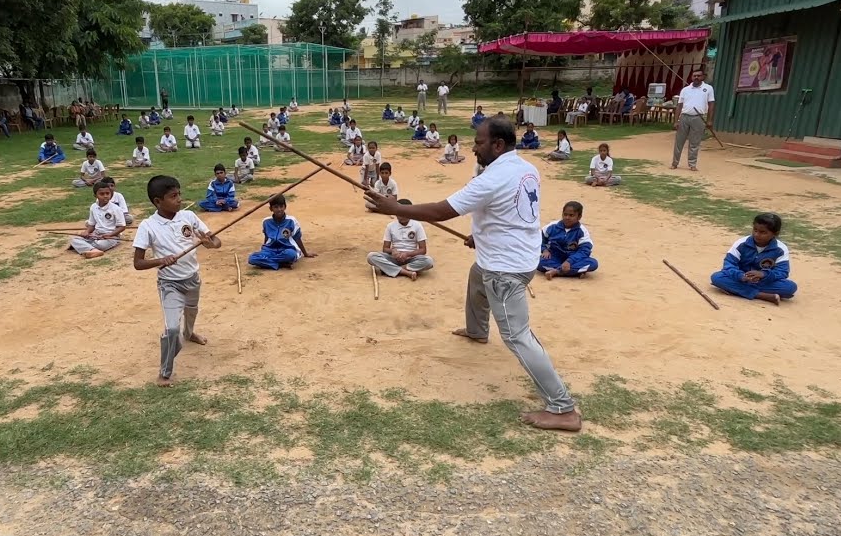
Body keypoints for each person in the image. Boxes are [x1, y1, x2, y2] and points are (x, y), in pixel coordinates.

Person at [363, 114, 581, 432]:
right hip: (516, 255)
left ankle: (563, 408)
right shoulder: (526, 168)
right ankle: (477, 329)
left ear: (498, 144)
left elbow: (442, 210)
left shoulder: (490, 179)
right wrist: (482, 234)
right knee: (477, 275)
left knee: (517, 336)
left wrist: (396, 208)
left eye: (479, 142)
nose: (474, 148)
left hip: (506, 267)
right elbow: (513, 211)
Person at [132, 175, 220, 386]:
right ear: (158, 201)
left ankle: (189, 333)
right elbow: (138, 263)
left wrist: (209, 243)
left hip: (193, 279)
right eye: (173, 196)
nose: (179, 199)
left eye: (179, 194)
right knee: (172, 329)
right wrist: (161, 260)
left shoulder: (188, 216)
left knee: (192, 311)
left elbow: (217, 241)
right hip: (170, 284)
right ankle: (165, 373)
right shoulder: (148, 226)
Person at [710, 212, 797, 305]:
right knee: (717, 277)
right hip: (741, 279)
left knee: (790, 287)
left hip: (763, 281)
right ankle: (762, 295)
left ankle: (736, 290)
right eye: (755, 230)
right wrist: (741, 276)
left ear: (775, 234)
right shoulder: (741, 243)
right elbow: (729, 264)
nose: (757, 234)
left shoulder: (780, 249)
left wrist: (763, 274)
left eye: (763, 232)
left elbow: (782, 272)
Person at [247, 194, 315, 269]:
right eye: (276, 207)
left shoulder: (291, 221)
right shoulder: (266, 222)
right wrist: (264, 250)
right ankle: (281, 264)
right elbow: (266, 237)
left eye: (281, 206)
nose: (279, 209)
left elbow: (297, 238)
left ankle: (269, 262)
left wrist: (305, 253)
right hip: (270, 250)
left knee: (291, 255)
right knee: (252, 258)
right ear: (271, 209)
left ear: (285, 207)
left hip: (287, 249)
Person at [70, 181, 130, 259]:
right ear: (95, 195)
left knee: (101, 244)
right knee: (74, 239)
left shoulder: (116, 209)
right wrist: (87, 232)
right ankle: (94, 250)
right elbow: (92, 224)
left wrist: (110, 234)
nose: (105, 196)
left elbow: (122, 227)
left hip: (111, 237)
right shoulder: (93, 207)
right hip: (96, 234)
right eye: (102, 194)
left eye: (107, 193)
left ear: (111, 194)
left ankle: (88, 248)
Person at [538, 202, 597, 279]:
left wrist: (570, 261)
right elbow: (539, 240)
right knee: (537, 262)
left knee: (593, 263)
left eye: (571, 215)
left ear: (579, 217)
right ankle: (574, 272)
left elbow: (585, 250)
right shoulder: (552, 227)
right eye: (565, 214)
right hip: (554, 257)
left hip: (573, 259)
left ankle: (557, 271)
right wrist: (544, 250)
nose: (567, 218)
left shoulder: (582, 231)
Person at [671, 70, 715, 172]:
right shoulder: (685, 90)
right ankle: (675, 163)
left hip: (698, 118)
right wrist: (676, 121)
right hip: (684, 117)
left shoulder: (708, 88)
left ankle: (692, 164)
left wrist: (709, 120)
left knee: (694, 142)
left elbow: (711, 105)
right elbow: (679, 106)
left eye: (698, 76)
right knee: (679, 141)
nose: (696, 77)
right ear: (691, 77)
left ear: (703, 77)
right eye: (694, 76)